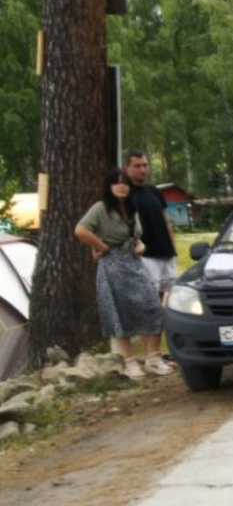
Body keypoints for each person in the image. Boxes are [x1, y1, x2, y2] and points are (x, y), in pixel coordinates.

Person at [74, 168, 173, 381]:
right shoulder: (101, 208)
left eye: (125, 183)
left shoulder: (130, 209)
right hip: (112, 265)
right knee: (119, 313)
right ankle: (129, 363)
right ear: (109, 187)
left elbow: (135, 236)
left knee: (153, 307)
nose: (122, 187)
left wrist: (140, 245)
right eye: (117, 183)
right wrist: (102, 247)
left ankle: (153, 359)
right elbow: (81, 230)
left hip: (133, 263)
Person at [123, 150, 179, 297]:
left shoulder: (153, 191)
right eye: (137, 166)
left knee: (167, 295)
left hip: (166, 252)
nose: (142, 169)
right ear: (126, 167)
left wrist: (173, 246)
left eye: (145, 165)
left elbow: (166, 221)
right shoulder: (125, 194)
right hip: (145, 255)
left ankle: (159, 321)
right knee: (148, 297)